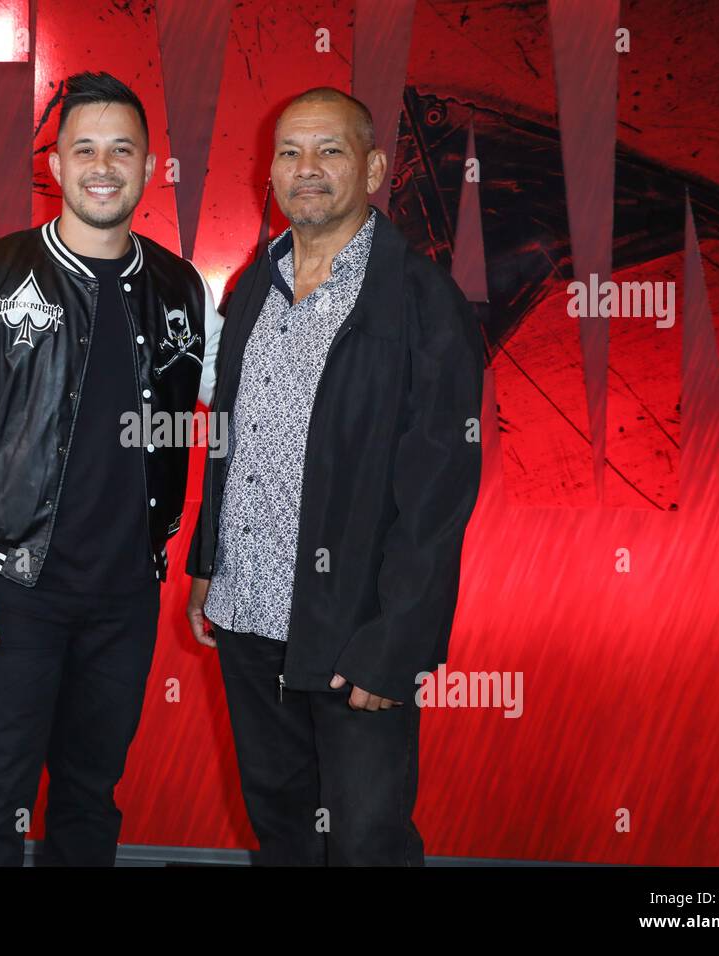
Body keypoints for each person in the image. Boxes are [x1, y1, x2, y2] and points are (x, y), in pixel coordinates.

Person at [0, 71, 222, 866]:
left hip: (125, 596)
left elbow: (231, 417)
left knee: (91, 796)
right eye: (84, 147)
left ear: (150, 167)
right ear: (55, 166)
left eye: (123, 149)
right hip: (11, 587)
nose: (103, 165)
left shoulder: (183, 288)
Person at [185, 87, 484, 866]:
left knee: (365, 843)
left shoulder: (421, 301)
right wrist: (209, 565)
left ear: (375, 167)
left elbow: (438, 493)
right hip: (249, 616)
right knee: (283, 833)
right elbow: (232, 443)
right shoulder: (252, 287)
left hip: (354, 627)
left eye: (329, 151)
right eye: (289, 152)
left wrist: (398, 642)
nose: (305, 169)